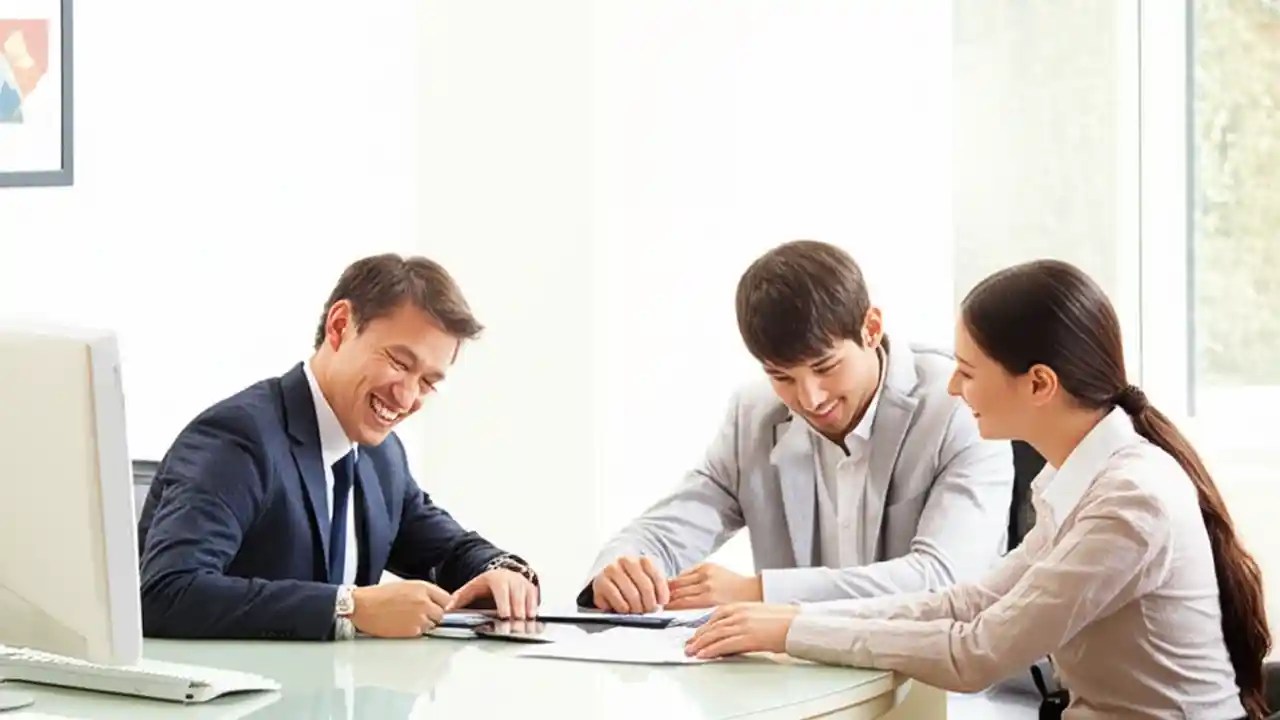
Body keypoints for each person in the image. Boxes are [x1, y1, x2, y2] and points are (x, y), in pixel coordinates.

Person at [685, 259, 1270, 719]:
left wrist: (794, 630)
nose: (954, 389)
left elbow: (976, 654)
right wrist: (788, 617)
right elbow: (966, 603)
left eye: (968, 371)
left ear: (1039, 383)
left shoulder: (1130, 500)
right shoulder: (1084, 480)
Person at [580, 240, 1015, 612]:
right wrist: (622, 567)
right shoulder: (753, 415)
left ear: (871, 327)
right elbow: (668, 528)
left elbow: (945, 579)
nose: (810, 398)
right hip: (808, 684)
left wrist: (759, 594)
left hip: (941, 691)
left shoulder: (957, 406)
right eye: (782, 376)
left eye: (825, 367)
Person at [138, 254, 540, 641]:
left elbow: (447, 548)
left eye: (428, 382)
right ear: (340, 325)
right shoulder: (239, 437)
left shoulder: (382, 457)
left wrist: (501, 572)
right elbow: (167, 592)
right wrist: (349, 607)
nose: (406, 397)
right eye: (399, 363)